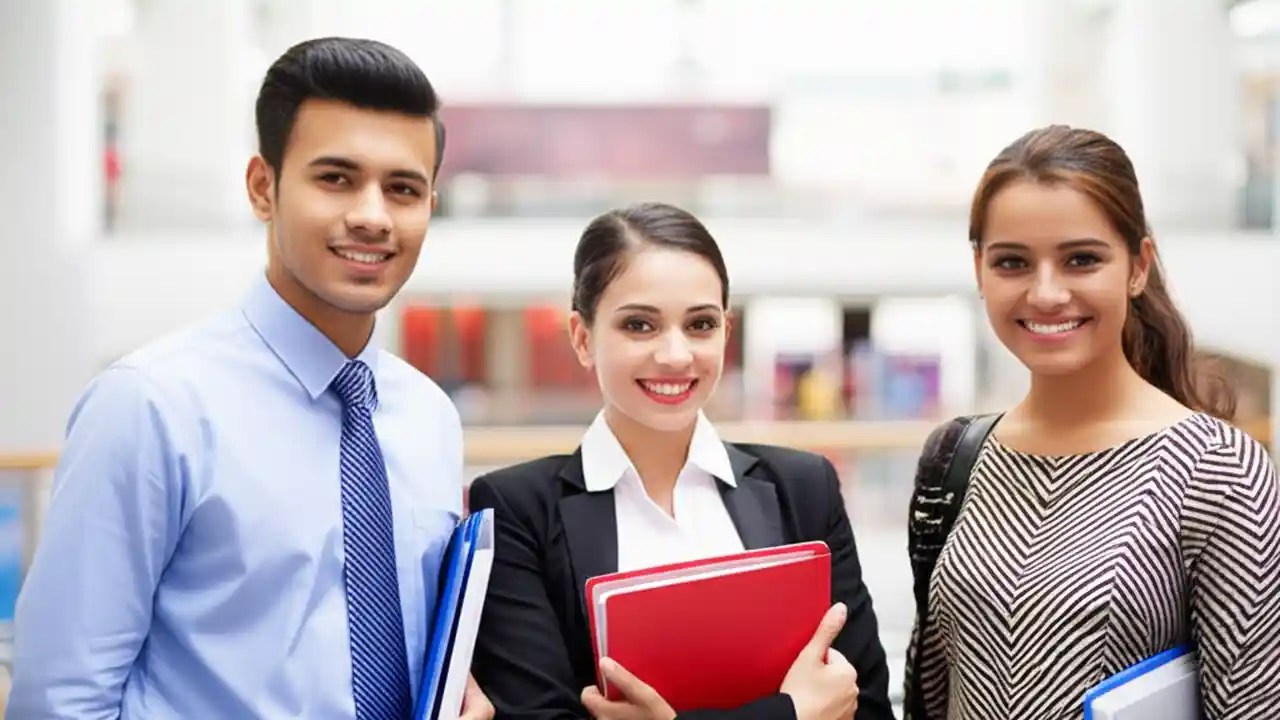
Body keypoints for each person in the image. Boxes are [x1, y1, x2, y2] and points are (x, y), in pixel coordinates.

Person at [10, 37, 494, 720]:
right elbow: (59, 701)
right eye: (335, 178)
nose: (372, 215)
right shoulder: (151, 406)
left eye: (403, 189)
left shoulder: (428, 417)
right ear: (263, 187)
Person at [903, 125, 1280, 719]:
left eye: (1081, 259)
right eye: (1012, 263)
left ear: (1137, 267)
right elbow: (929, 693)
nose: (1047, 293)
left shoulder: (1220, 469)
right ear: (979, 271)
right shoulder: (954, 456)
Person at [468, 202, 895, 720]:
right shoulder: (516, 511)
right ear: (583, 338)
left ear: (725, 332)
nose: (675, 355)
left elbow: (866, 707)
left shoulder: (802, 488)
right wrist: (793, 713)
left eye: (700, 325)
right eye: (640, 325)